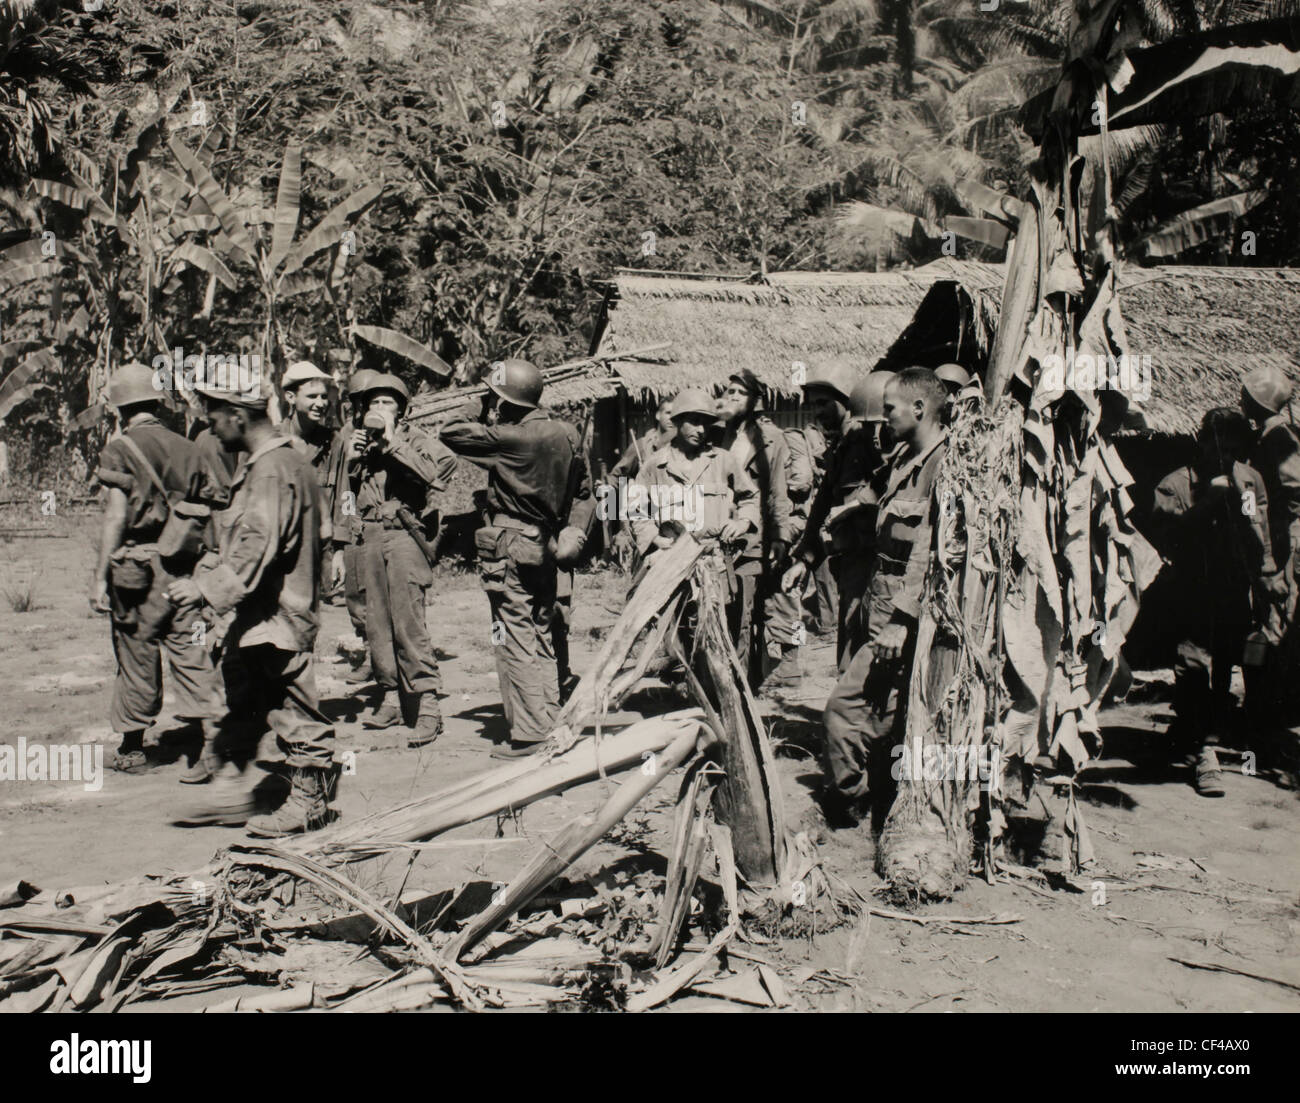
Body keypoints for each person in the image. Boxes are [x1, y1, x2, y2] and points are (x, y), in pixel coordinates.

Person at [166, 370, 337, 835]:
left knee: (292, 709)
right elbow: (319, 533)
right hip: (260, 613)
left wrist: (206, 588)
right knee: (242, 705)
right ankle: (228, 795)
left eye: (215, 417)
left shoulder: (272, 469)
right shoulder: (287, 462)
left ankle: (310, 802)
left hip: (277, 615)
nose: (211, 427)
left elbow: (260, 541)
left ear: (238, 416)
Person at [440, 359, 594, 757]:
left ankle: (528, 734)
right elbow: (585, 492)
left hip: (508, 545)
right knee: (542, 632)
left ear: (505, 398)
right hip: (544, 545)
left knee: (514, 638)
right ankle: (549, 716)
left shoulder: (510, 437)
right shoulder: (568, 434)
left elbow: (451, 432)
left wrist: (480, 400)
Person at [822, 368, 948, 825]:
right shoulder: (904, 459)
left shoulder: (944, 464)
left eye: (890, 409)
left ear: (919, 408)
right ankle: (878, 800)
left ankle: (851, 799)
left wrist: (901, 619)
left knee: (844, 708)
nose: (884, 419)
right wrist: (847, 509)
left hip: (904, 611)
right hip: (879, 597)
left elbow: (930, 552)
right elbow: (877, 492)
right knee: (882, 710)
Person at [90, 362, 226, 780]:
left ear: (119, 409)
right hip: (184, 572)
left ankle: (132, 749)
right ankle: (211, 748)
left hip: (136, 574)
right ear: (157, 401)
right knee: (191, 650)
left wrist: (99, 578)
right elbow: (214, 510)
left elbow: (115, 517)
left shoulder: (120, 449)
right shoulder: (190, 448)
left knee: (135, 655)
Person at [1149, 408, 1277, 797]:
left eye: (1235, 449)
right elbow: (1167, 539)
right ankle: (1203, 754)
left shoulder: (1249, 481)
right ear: (1201, 441)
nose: (1225, 456)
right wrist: (1211, 501)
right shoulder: (1175, 486)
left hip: (1233, 589)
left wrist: (1267, 575)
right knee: (1193, 664)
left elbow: (1258, 529)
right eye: (1218, 445)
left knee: (1225, 666)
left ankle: (1198, 730)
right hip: (1190, 590)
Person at [349, 372, 458, 747]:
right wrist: (351, 459)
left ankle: (428, 705)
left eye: (387, 403)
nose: (378, 410)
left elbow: (439, 473)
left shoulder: (418, 440)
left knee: (409, 620)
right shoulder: (360, 446)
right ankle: (391, 697)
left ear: (402, 410)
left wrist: (394, 443)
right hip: (369, 535)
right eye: (373, 403)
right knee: (376, 623)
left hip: (403, 534)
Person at [782, 369, 893, 669]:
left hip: (872, 561)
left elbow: (888, 485)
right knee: (849, 642)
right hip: (848, 561)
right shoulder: (842, 446)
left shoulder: (869, 439)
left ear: (846, 401)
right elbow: (821, 506)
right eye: (815, 405)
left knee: (863, 644)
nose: (818, 412)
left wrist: (857, 504)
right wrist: (804, 560)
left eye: (824, 403)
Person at [629, 388, 759, 637]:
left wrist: (742, 522)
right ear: (677, 421)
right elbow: (635, 507)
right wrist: (653, 538)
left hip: (714, 564)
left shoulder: (722, 460)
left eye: (706, 424)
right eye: (695, 422)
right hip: (670, 564)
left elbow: (751, 497)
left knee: (715, 636)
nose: (701, 430)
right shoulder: (655, 465)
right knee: (674, 638)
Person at [715, 369, 793, 686]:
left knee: (745, 616)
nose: (732, 396)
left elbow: (777, 492)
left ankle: (742, 684)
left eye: (740, 392)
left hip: (753, 538)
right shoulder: (715, 435)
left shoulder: (772, 439)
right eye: (729, 391)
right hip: (719, 535)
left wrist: (780, 537)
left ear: (754, 400)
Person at [1239, 364, 1300, 746]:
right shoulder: (1267, 437)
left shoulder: (1281, 440)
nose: (1241, 398)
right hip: (1275, 543)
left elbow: (1293, 495)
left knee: (1274, 626)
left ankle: (1269, 715)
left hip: (1284, 547)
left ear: (1259, 401)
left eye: (1247, 394)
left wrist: (1279, 560)